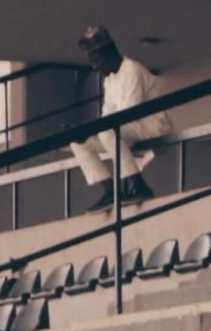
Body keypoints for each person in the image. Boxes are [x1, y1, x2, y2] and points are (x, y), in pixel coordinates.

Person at [69, 26, 169, 207]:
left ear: (108, 55)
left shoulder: (132, 69)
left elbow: (130, 113)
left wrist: (99, 127)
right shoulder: (109, 80)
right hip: (126, 130)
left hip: (152, 126)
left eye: (96, 60)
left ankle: (140, 186)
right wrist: (86, 131)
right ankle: (110, 191)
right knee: (77, 142)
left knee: (107, 131)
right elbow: (107, 114)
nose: (94, 66)